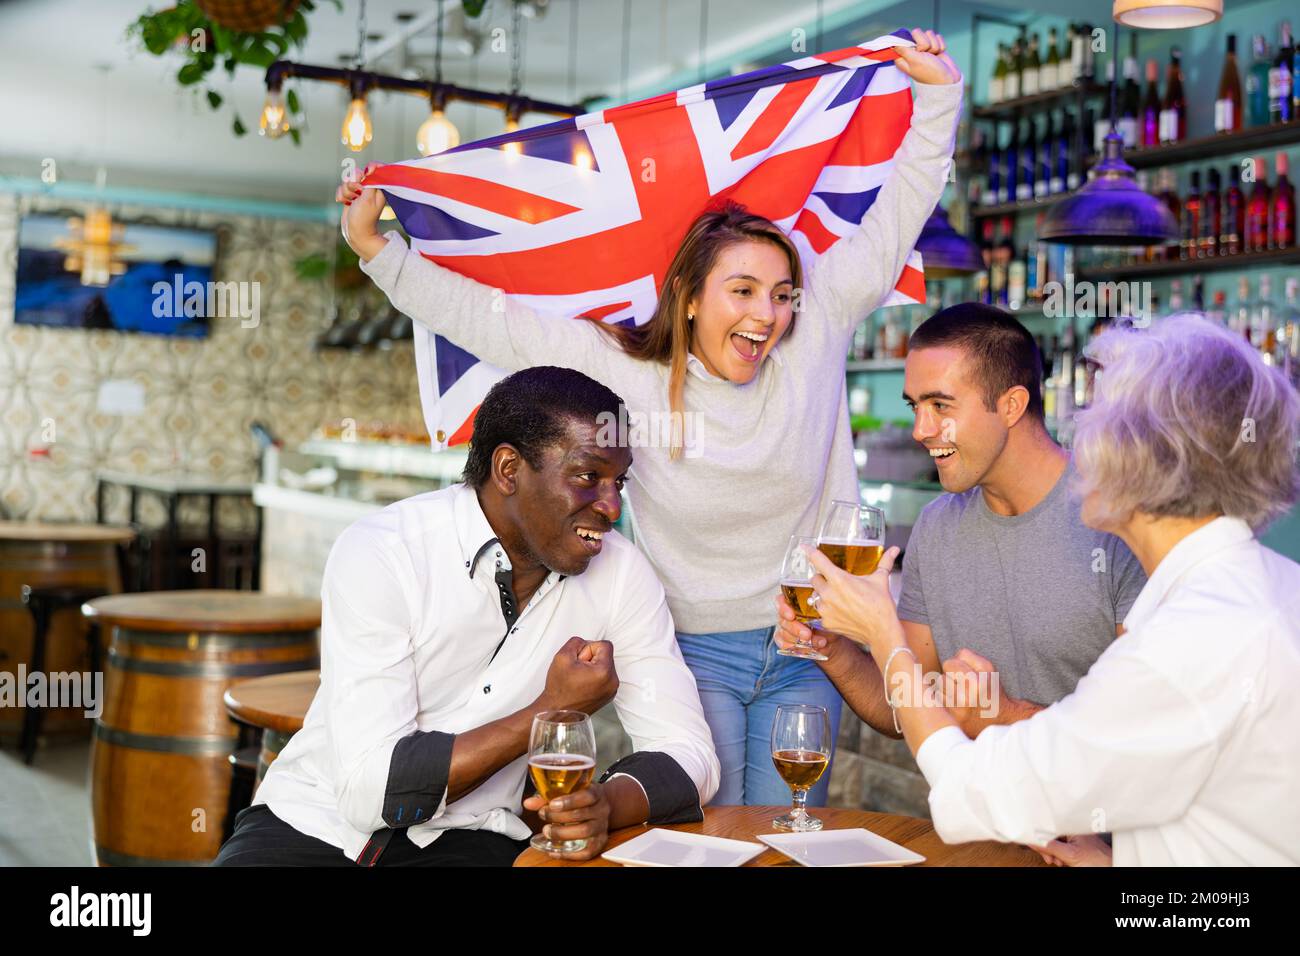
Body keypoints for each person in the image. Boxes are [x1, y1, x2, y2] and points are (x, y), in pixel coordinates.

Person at [336, 30, 964, 806]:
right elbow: (496, 322)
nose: (766, 313)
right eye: (742, 290)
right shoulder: (627, 372)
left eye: (779, 293)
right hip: (692, 648)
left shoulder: (819, 322)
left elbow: (899, 211)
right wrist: (379, 254)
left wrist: (938, 97)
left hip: (813, 645)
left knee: (782, 837)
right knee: (701, 830)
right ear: (692, 297)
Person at [794, 313, 1300, 866]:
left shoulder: (1188, 639)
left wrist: (883, 633)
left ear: (1148, 458)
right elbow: (1206, 829)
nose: (1083, 440)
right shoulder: (1262, 587)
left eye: (1102, 424)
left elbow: (978, 789)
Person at [214, 366, 720, 866]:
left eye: (619, 481)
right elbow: (369, 795)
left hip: (473, 836)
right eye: (589, 476)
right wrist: (548, 711)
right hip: (313, 823)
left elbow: (690, 752)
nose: (612, 506)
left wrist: (605, 805)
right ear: (508, 470)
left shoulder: (622, 575)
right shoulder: (384, 551)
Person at [776, 303, 1146, 748]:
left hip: (1090, 817)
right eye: (915, 406)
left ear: (1011, 405)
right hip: (964, 815)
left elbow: (1144, 730)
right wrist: (830, 648)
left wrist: (1003, 716)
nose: (920, 429)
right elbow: (903, 709)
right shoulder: (936, 527)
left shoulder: (1121, 520)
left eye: (939, 405)